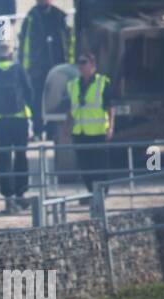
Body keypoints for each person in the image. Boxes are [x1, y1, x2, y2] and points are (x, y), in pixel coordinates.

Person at [0, 42, 33, 213]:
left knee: (4, 160)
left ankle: (8, 199)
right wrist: (32, 121)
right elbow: (30, 94)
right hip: (19, 120)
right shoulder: (19, 70)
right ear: (11, 55)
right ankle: (21, 196)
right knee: (21, 156)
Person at [18, 0, 71, 140]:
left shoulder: (60, 17)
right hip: (37, 69)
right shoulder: (31, 17)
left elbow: (68, 42)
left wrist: (70, 65)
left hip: (58, 68)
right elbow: (25, 43)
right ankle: (38, 130)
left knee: (55, 100)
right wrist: (24, 68)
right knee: (36, 101)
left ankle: (52, 131)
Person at [67, 52, 115, 193]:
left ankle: (101, 194)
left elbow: (110, 107)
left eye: (84, 62)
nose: (80, 66)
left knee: (99, 165)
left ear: (93, 65)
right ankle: (91, 193)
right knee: (84, 166)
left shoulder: (102, 83)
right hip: (80, 133)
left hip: (98, 132)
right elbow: (71, 109)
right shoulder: (74, 84)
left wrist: (111, 127)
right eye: (79, 62)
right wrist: (66, 127)